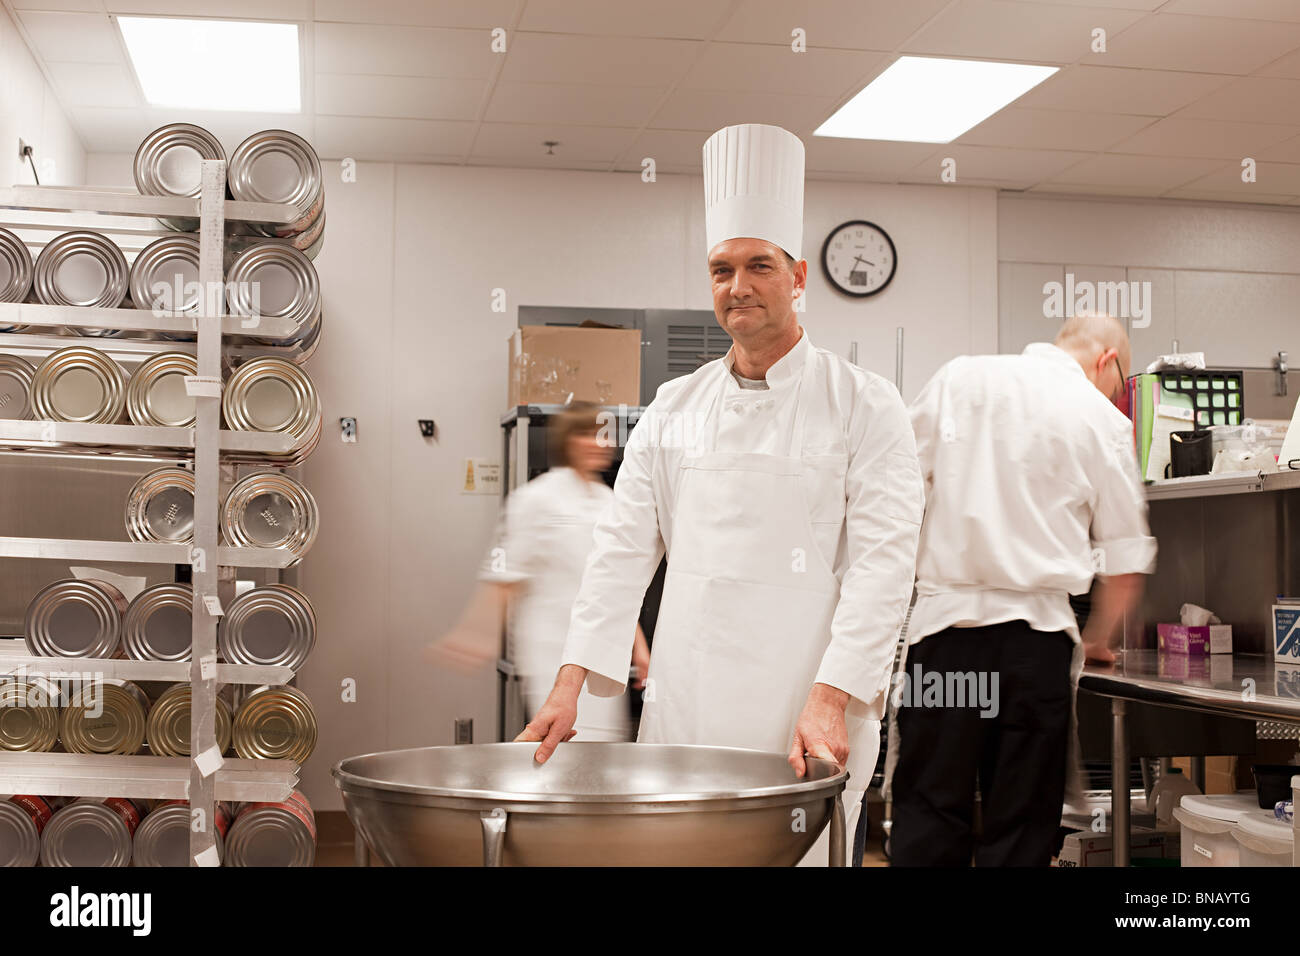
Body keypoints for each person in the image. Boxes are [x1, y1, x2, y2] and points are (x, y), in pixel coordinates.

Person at [518, 124, 924, 866]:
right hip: (689, 712)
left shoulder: (867, 404)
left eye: (759, 266)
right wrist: (568, 684)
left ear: (799, 276)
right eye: (721, 269)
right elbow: (619, 553)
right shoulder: (674, 408)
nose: (738, 287)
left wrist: (831, 700)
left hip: (804, 716)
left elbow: (884, 568)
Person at [889, 312, 1157, 866]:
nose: (1118, 393)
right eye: (1122, 380)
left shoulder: (959, 379)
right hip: (1035, 654)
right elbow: (1127, 562)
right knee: (1021, 825)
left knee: (928, 811)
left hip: (945, 646)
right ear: (1107, 360)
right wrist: (1098, 639)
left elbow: (893, 496)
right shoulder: (1100, 418)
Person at [433, 402, 649, 741]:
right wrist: (478, 633)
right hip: (551, 648)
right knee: (562, 745)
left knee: (601, 750)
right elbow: (504, 575)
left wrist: (639, 647)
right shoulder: (535, 499)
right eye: (587, 435)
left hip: (601, 651)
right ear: (567, 441)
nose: (599, 443)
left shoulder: (608, 500)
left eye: (603, 435)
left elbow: (614, 582)